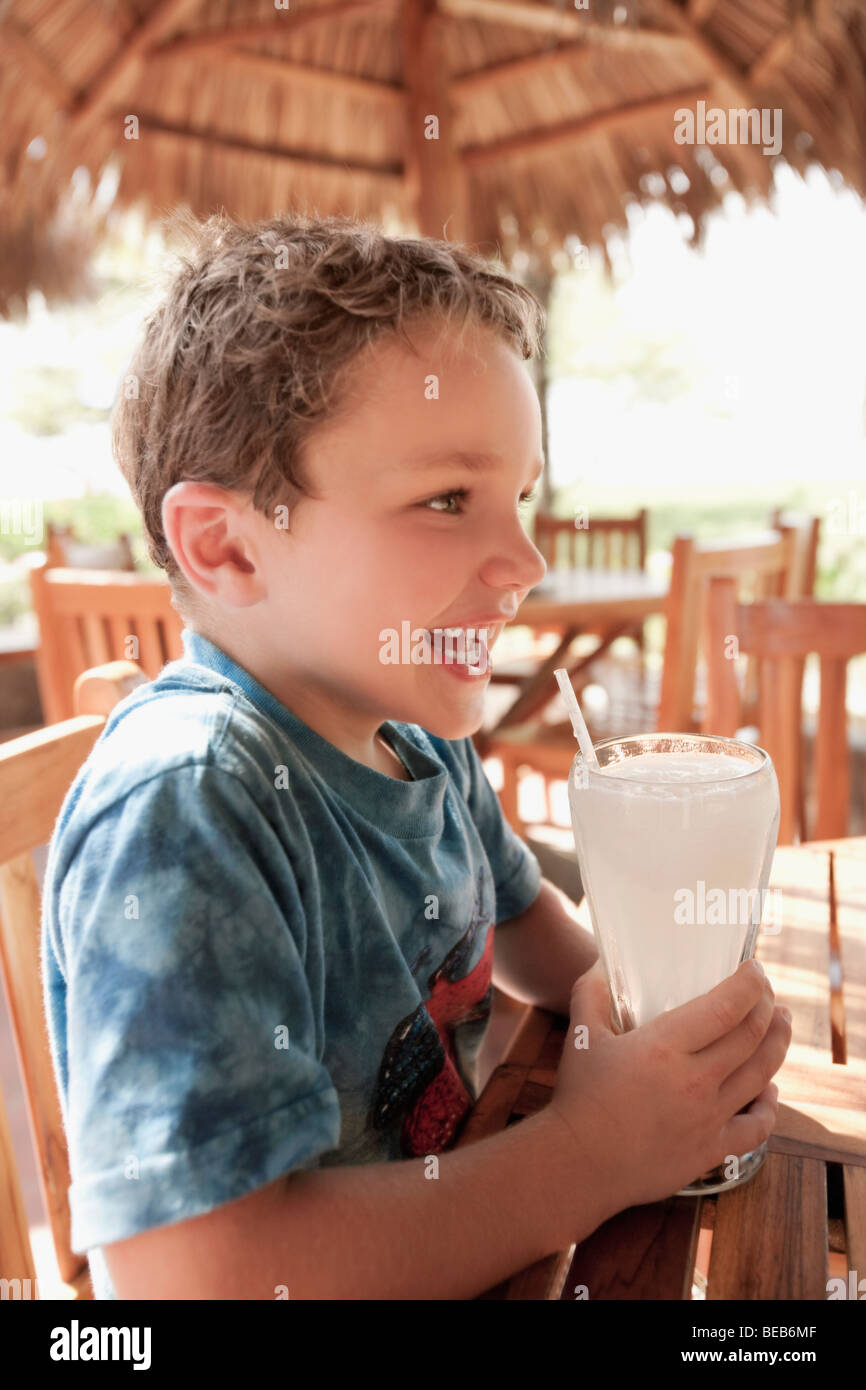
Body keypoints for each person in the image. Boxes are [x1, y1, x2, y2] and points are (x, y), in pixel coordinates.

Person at [42, 212, 791, 1299]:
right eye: (447, 498)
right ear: (229, 544)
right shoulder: (193, 803)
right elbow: (195, 1277)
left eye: (519, 497)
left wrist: (672, 1054)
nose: (523, 560)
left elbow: (549, 948)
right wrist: (589, 1155)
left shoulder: (418, 746)